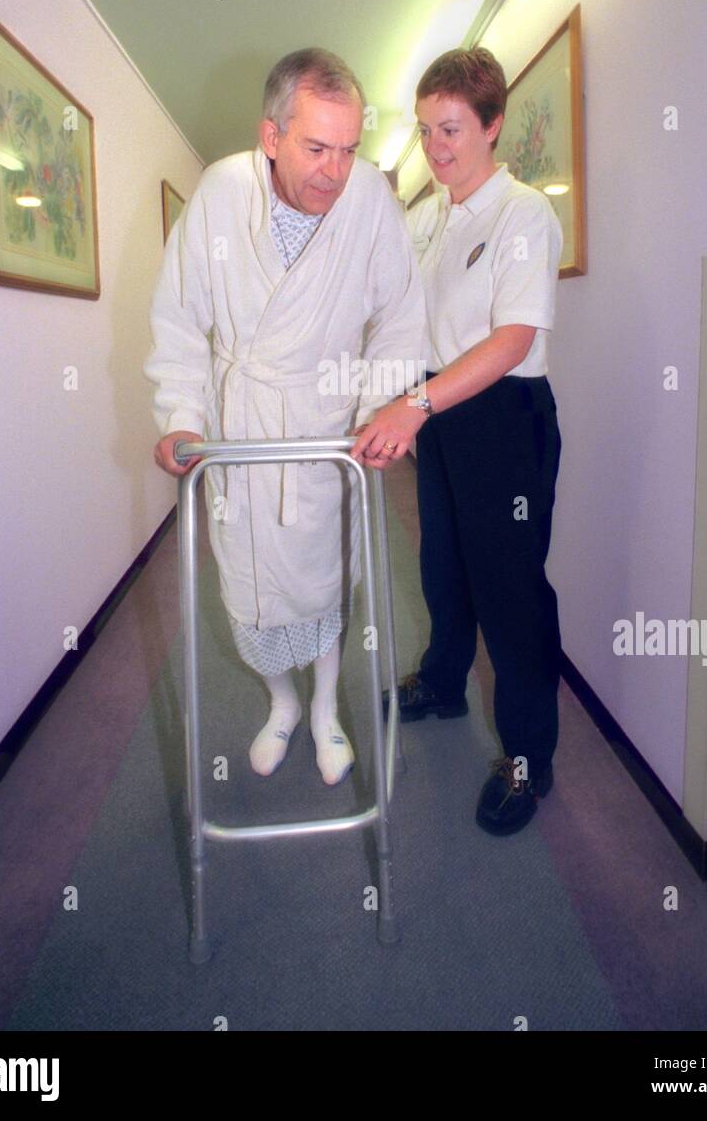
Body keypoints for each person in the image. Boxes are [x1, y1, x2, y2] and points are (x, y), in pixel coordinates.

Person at [144, 49, 426, 786]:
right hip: (240, 427)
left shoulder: (370, 202)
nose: (336, 171)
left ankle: (327, 707)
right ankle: (282, 704)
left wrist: (389, 406)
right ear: (271, 137)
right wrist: (180, 414)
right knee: (251, 591)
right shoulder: (217, 195)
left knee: (324, 580)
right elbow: (180, 318)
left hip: (327, 426)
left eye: (349, 149)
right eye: (316, 148)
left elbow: (400, 318)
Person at [350, 46, 564, 835]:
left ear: (492, 124)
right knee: (443, 568)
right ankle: (444, 684)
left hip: (505, 419)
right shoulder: (430, 217)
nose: (436, 148)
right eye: (426, 130)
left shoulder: (523, 214)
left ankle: (527, 762)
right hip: (440, 414)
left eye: (451, 130)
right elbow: (390, 307)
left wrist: (411, 406)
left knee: (511, 596)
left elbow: (512, 340)